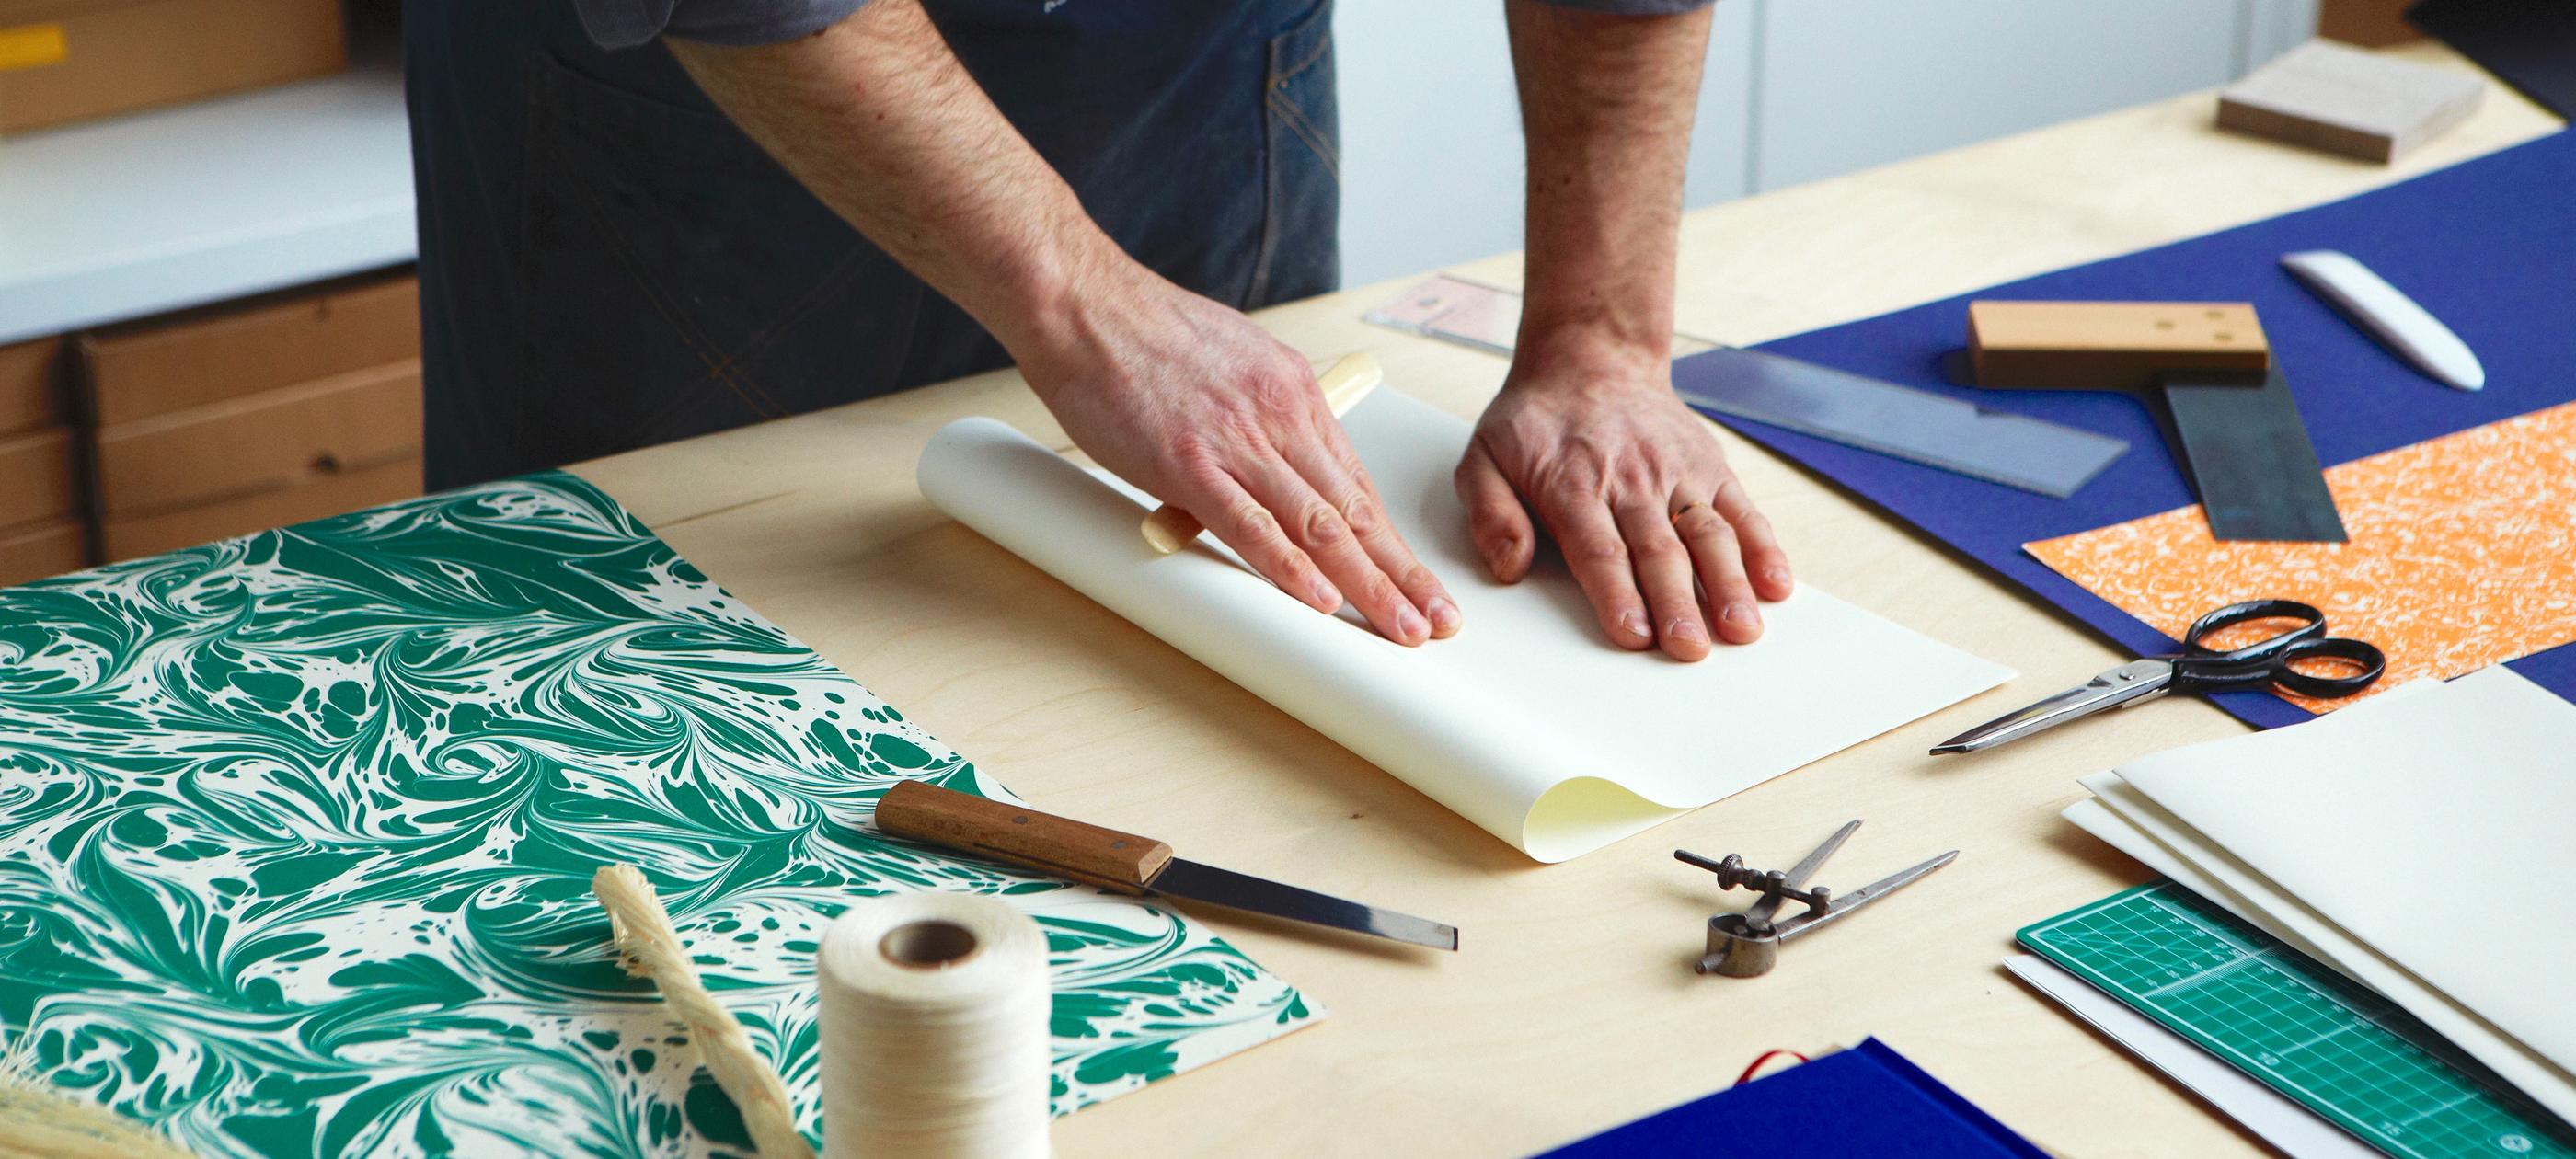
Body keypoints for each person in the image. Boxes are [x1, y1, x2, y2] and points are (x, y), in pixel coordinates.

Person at [404, 0, 1793, 661]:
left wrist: (1601, 337)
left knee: (1199, 645)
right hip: (703, 109)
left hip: (1188, 63)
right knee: (659, 695)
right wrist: (1079, 300)